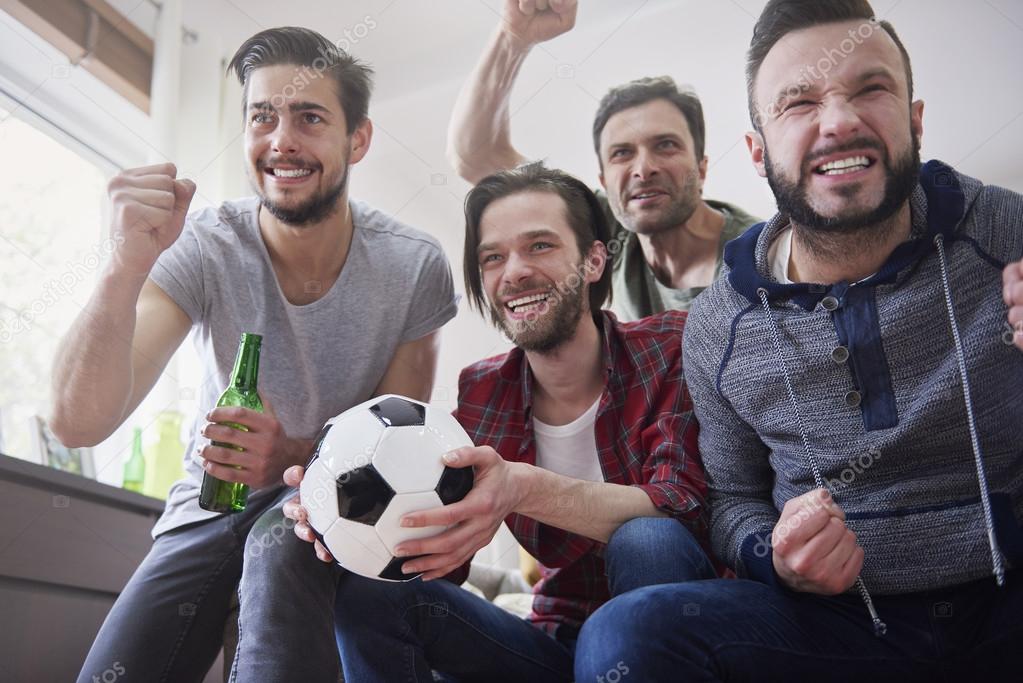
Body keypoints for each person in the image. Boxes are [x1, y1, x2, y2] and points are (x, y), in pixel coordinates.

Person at [574, 1, 1023, 680]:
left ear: (914, 118)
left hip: (1010, 593)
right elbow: (730, 501)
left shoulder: (1004, 230)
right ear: (756, 153)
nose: (837, 121)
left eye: (870, 89)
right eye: (798, 102)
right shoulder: (717, 322)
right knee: (627, 634)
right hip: (839, 626)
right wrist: (772, 555)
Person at [51, 27, 458, 683]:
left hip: (331, 518)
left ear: (357, 138)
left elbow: (400, 452)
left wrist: (295, 455)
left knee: (282, 551)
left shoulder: (413, 267)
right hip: (209, 507)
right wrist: (124, 267)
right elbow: (76, 422)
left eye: (308, 117)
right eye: (261, 117)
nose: (280, 141)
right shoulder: (206, 244)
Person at [285, 163, 718, 682]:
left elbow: (684, 506)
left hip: (678, 642)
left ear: (594, 260)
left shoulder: (670, 348)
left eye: (540, 246)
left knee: (647, 540)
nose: (513, 272)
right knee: (371, 591)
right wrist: (341, 518)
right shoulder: (485, 391)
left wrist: (522, 488)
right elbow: (447, 556)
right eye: (493, 257)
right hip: (556, 646)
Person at [447, 0, 761, 320]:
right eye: (622, 153)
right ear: (603, 182)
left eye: (665, 145)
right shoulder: (610, 227)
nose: (643, 169)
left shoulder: (760, 260)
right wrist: (513, 37)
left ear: (702, 168)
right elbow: (475, 156)